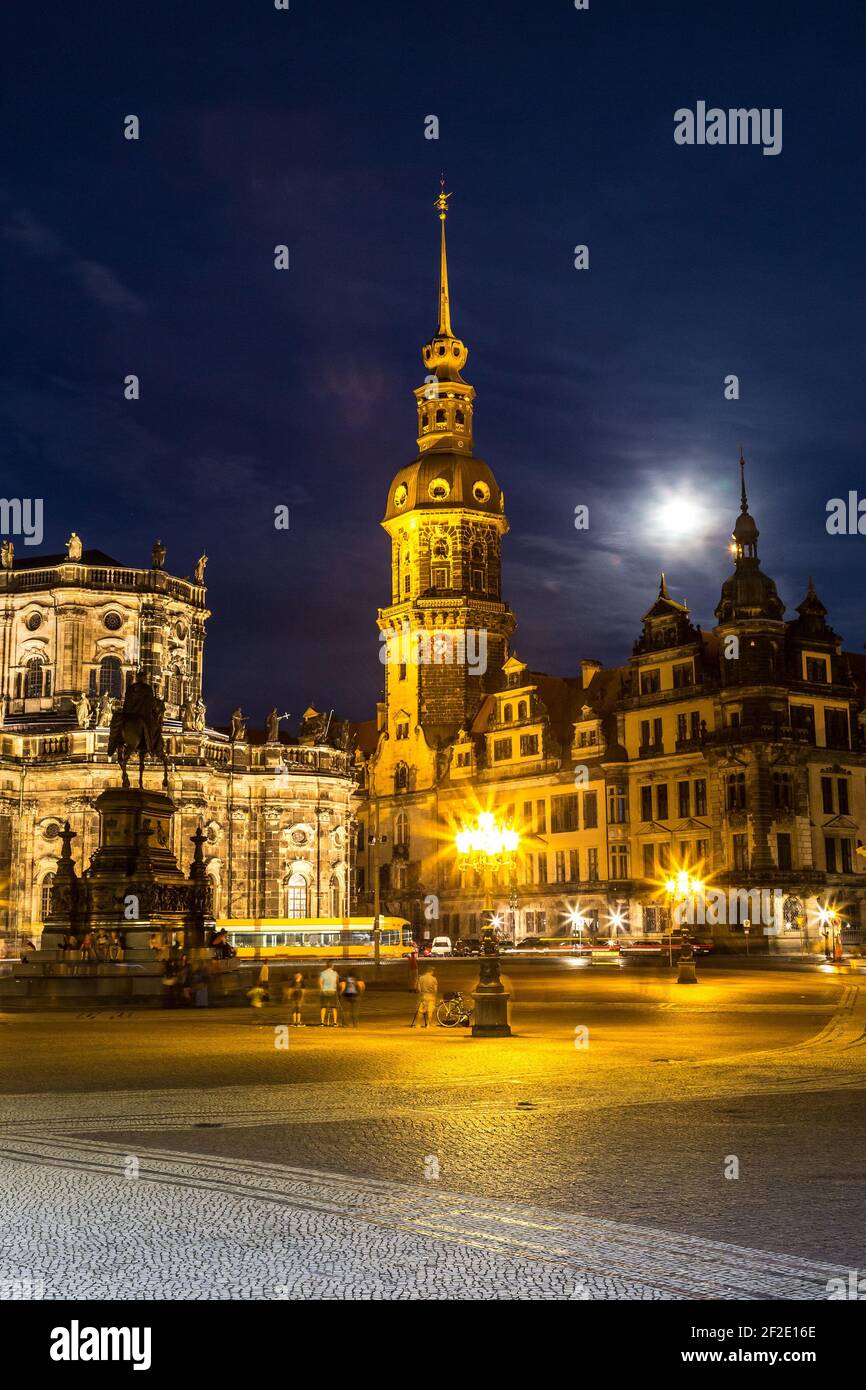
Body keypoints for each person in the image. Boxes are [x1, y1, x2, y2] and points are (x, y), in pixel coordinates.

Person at [319, 961, 340, 1027]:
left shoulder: (322, 973)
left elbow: (320, 982)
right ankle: (335, 1022)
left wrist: (322, 989)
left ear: (326, 966)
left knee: (323, 1007)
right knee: (334, 1007)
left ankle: (322, 1022)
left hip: (324, 991)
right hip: (332, 991)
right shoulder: (335, 973)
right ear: (332, 966)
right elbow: (337, 982)